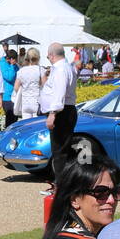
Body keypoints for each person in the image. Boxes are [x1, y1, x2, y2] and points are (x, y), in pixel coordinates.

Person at [41, 43, 79, 182]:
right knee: (62, 150)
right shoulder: (67, 67)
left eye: (48, 56)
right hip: (65, 110)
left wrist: (53, 113)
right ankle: (64, 182)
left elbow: (59, 92)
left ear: (51, 55)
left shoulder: (61, 69)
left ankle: (61, 184)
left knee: (59, 151)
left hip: (61, 112)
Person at [13, 47, 45, 118]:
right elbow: (45, 86)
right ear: (38, 57)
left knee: (26, 125)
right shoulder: (40, 70)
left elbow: (16, 87)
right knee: (37, 126)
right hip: (37, 102)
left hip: (25, 102)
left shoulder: (21, 71)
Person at [0, 48, 19, 126]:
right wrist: (12, 66)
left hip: (15, 95)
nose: (16, 61)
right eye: (15, 60)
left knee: (15, 119)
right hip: (7, 96)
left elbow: (18, 75)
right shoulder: (2, 64)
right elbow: (9, 77)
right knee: (10, 121)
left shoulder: (14, 65)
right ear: (10, 59)